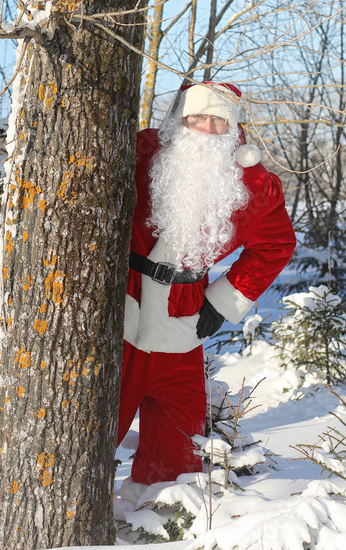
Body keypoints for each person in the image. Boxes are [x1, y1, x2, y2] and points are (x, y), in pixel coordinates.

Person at [119, 81, 296, 487]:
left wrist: (222, 302)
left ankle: (158, 523)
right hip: (122, 319)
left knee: (177, 455)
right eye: (197, 117)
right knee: (91, 437)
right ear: (180, 119)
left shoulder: (254, 185)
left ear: (233, 128)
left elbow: (276, 243)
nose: (206, 128)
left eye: (218, 120)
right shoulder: (141, 151)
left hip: (185, 328)